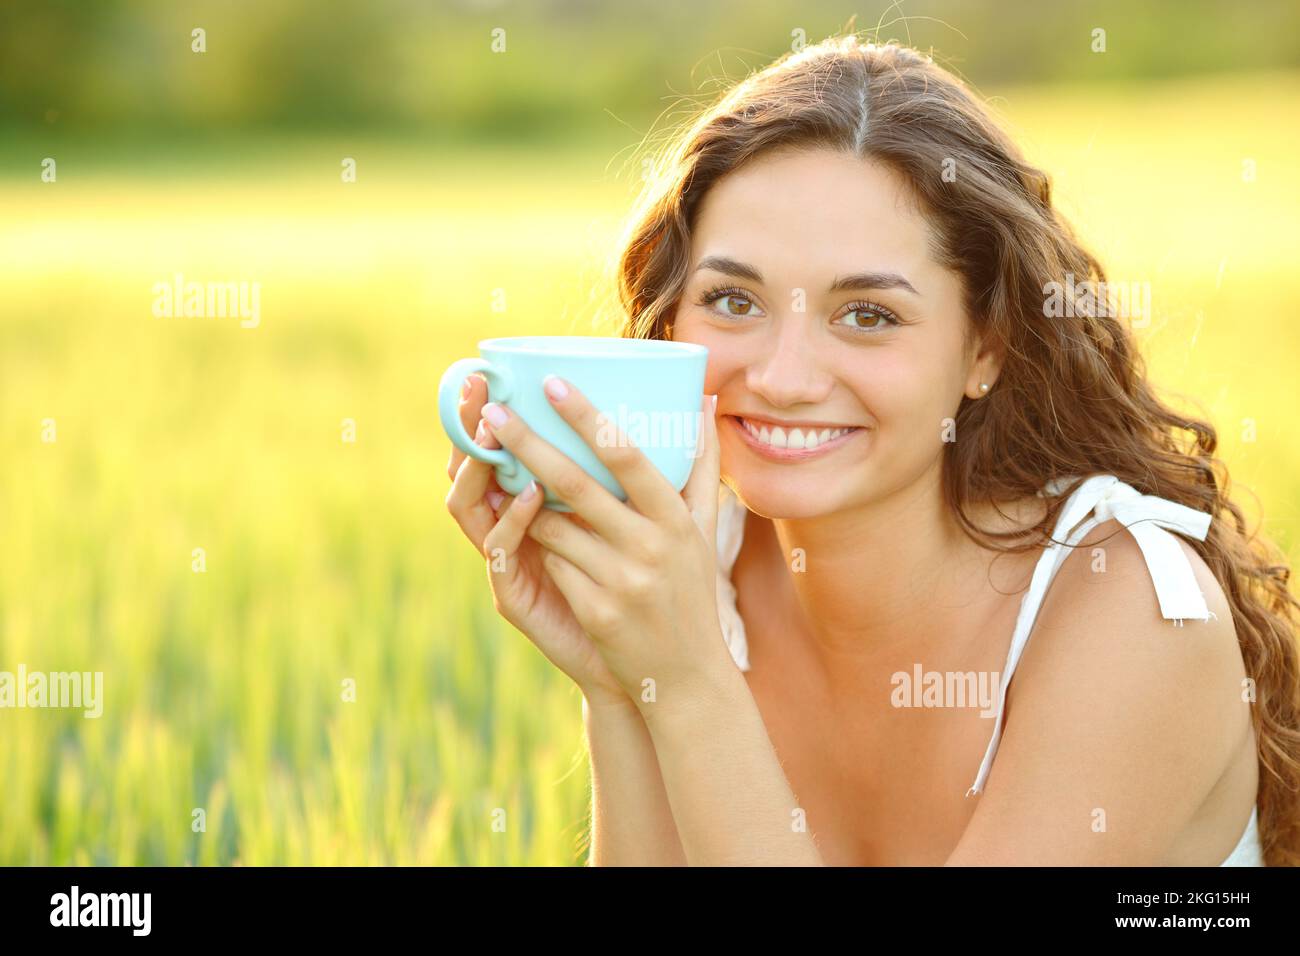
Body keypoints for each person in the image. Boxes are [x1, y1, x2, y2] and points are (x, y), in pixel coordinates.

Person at [445, 34, 1299, 865]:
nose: (782, 378)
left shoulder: (1132, 611)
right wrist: (621, 689)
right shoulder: (694, 573)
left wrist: (693, 684)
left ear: (985, 349)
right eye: (733, 300)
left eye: (868, 315)